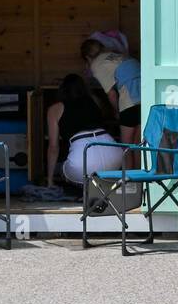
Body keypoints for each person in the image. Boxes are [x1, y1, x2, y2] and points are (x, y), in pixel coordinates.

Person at [45, 73, 121, 187]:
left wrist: (50, 180)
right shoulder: (95, 100)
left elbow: (53, 147)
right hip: (114, 155)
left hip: (83, 159)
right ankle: (100, 186)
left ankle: (85, 188)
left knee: (60, 168)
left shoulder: (55, 109)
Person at [81, 30, 142, 165]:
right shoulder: (116, 55)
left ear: (87, 57)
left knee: (126, 147)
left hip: (130, 100)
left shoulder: (97, 64)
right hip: (144, 95)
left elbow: (112, 94)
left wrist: (116, 112)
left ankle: (130, 182)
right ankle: (140, 182)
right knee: (138, 145)